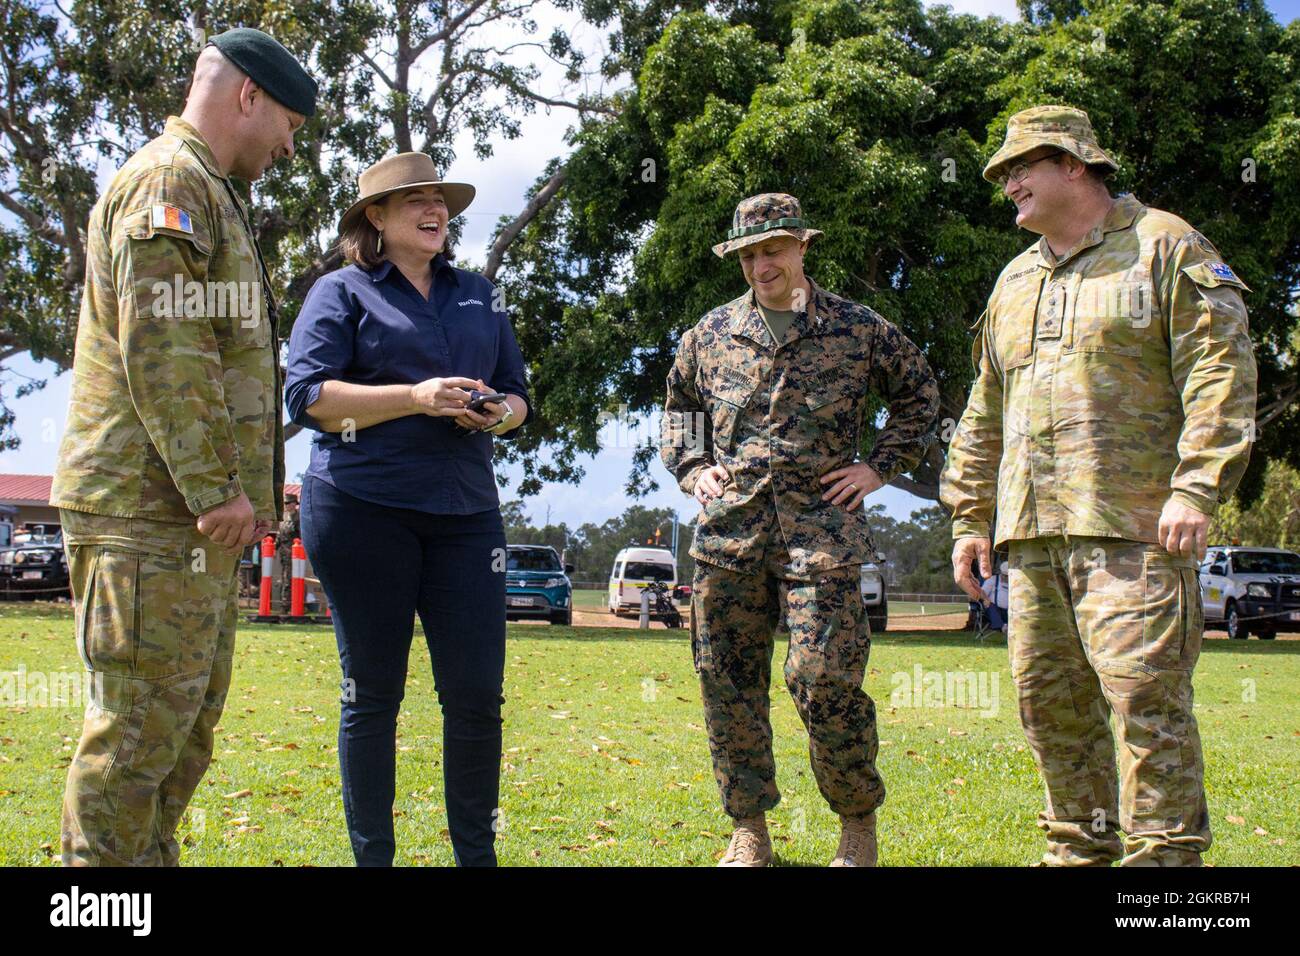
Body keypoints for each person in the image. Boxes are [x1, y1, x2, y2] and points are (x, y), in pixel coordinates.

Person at [940, 105, 1257, 866]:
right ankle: (1078, 856)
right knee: (1052, 714)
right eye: (1003, 173)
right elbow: (987, 404)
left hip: (1135, 530)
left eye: (1022, 167)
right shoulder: (1014, 281)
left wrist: (1196, 486)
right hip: (1033, 536)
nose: (1009, 183)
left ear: (1075, 164)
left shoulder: (1164, 246)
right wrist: (968, 514)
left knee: (1147, 707)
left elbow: (1221, 369)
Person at [49, 27, 316, 865]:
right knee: (133, 743)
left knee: (176, 739)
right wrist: (214, 490)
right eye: (290, 126)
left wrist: (223, 498)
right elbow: (163, 346)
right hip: (148, 513)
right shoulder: (169, 182)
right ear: (248, 96)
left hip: (183, 524)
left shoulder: (210, 192)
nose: (288, 146)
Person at [661, 193, 940, 866]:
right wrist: (695, 468)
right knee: (726, 680)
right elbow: (678, 412)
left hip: (823, 536)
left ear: (802, 247)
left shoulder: (858, 327)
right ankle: (749, 830)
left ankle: (857, 824)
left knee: (824, 679)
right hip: (731, 538)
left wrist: (878, 467)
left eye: (774, 250)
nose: (763, 265)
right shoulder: (710, 334)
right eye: (750, 254)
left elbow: (920, 395)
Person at [285, 152, 530, 866]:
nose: (435, 211)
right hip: (364, 509)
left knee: (477, 695)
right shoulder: (341, 292)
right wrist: (415, 397)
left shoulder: (481, 293)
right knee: (374, 696)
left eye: (441, 200)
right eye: (415, 200)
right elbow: (307, 399)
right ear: (376, 218)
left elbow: (517, 392)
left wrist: (497, 415)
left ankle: (476, 858)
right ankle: (373, 859)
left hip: (466, 514)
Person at [277, 492, 300, 611]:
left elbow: (301, 536)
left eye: (287, 503)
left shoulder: (299, 518)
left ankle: (287, 606)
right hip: (283, 552)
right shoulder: (284, 517)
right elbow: (279, 535)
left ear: (294, 504)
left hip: (294, 553)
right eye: (284, 503)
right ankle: (284, 604)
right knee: (284, 579)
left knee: (289, 580)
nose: (285, 505)